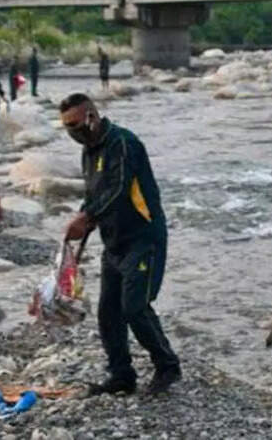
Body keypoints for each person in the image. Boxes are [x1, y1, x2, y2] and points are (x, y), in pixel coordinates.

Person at [59, 93, 181, 396]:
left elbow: (117, 190)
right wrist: (83, 220)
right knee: (108, 312)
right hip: (113, 242)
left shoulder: (123, 143)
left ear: (91, 116)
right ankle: (121, 375)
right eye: (66, 127)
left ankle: (167, 366)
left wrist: (87, 217)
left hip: (143, 237)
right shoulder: (89, 151)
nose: (73, 131)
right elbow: (94, 193)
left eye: (75, 123)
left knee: (135, 307)